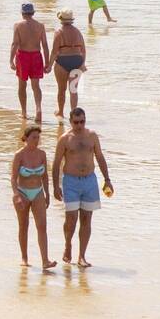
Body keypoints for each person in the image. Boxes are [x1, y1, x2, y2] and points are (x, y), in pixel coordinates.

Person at [52, 108, 111, 268]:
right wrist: (55, 186)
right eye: (76, 122)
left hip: (89, 181)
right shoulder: (65, 139)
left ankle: (82, 256)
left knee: (86, 218)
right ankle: (68, 244)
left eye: (82, 121)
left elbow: (99, 157)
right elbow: (56, 163)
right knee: (71, 219)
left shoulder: (92, 136)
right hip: (70, 181)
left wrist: (107, 179)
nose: (79, 125)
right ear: (70, 122)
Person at [11, 125, 57, 271]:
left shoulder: (42, 154)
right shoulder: (19, 155)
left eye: (38, 137)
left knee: (42, 226)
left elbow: (44, 175)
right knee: (23, 226)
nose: (36, 140)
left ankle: (45, 261)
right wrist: (16, 195)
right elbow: (13, 178)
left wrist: (48, 193)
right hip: (22, 193)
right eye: (33, 138)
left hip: (38, 192)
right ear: (26, 138)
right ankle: (24, 258)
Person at [10, 2, 49, 123]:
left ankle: (24, 112)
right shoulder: (40, 26)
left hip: (23, 56)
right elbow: (45, 45)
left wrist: (11, 60)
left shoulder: (18, 25)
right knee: (36, 86)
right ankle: (38, 109)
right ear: (33, 13)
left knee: (22, 86)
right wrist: (47, 62)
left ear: (22, 13)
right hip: (36, 56)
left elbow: (15, 44)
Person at [49, 9, 87, 119]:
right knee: (73, 90)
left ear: (61, 19)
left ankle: (60, 112)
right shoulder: (78, 32)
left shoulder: (59, 32)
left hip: (62, 62)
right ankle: (74, 115)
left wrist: (49, 66)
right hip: (77, 61)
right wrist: (82, 64)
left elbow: (55, 51)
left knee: (61, 89)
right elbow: (83, 50)